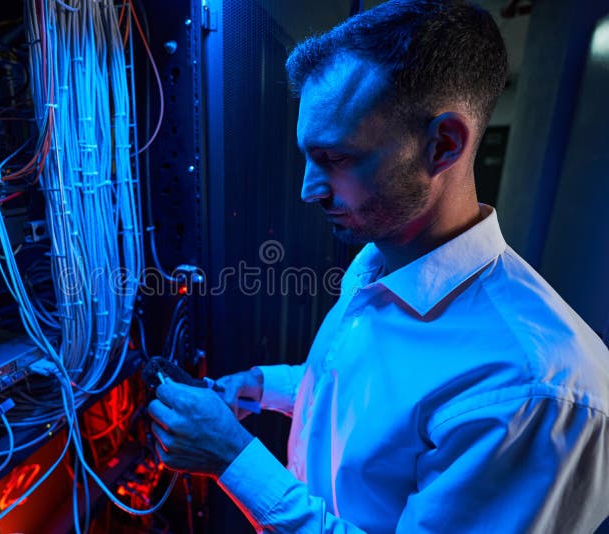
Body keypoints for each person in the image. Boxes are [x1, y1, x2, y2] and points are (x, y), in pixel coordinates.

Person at [147, 1, 609, 532]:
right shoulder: (382, 258)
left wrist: (233, 459)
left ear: (443, 144)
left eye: (337, 158)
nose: (308, 190)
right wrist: (261, 387)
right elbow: (372, 404)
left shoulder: (532, 389)